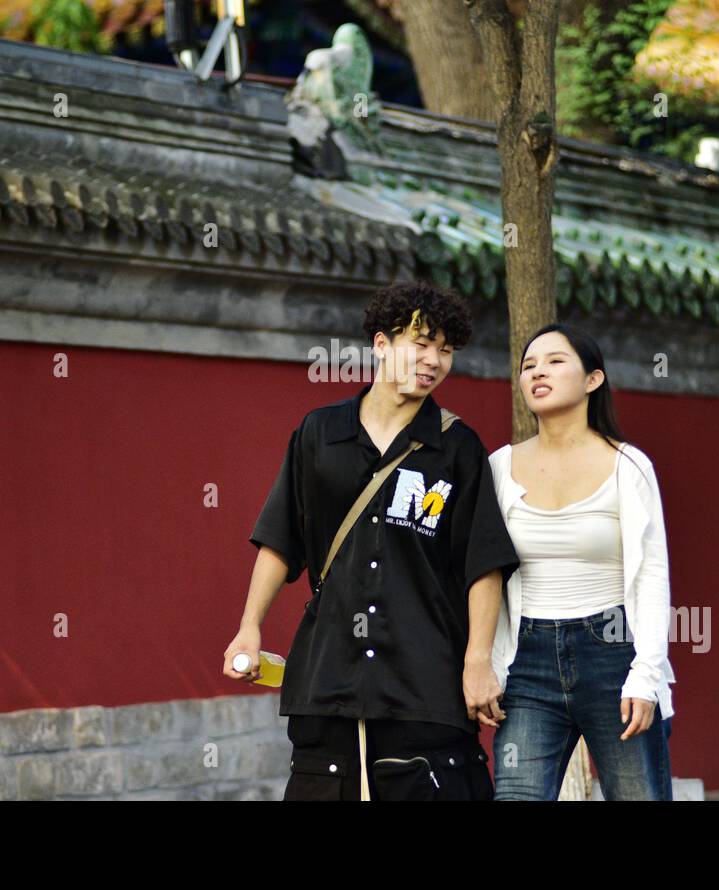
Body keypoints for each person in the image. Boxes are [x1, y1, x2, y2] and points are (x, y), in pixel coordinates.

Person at [223, 280, 520, 800]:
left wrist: (478, 661)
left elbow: (483, 564)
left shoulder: (457, 448)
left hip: (425, 684)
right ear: (381, 344)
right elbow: (280, 540)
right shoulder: (320, 433)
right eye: (421, 343)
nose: (434, 360)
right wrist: (249, 628)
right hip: (328, 681)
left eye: (446, 350)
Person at [488, 323, 675, 800]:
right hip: (527, 660)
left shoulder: (628, 466)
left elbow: (652, 576)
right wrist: (484, 664)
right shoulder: (499, 467)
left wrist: (646, 675)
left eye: (554, 361)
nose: (537, 372)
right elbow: (484, 572)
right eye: (528, 365)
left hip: (614, 652)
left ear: (593, 379)